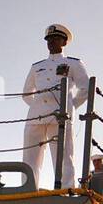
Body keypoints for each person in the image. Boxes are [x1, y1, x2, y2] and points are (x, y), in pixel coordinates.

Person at [21, 23, 90, 188]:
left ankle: (66, 190)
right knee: (30, 158)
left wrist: (70, 105)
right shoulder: (37, 66)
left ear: (64, 42)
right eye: (49, 39)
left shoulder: (73, 63)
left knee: (64, 157)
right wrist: (38, 106)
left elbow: (86, 88)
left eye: (56, 39)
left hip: (60, 116)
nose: (51, 42)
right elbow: (26, 93)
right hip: (35, 116)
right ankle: (27, 189)